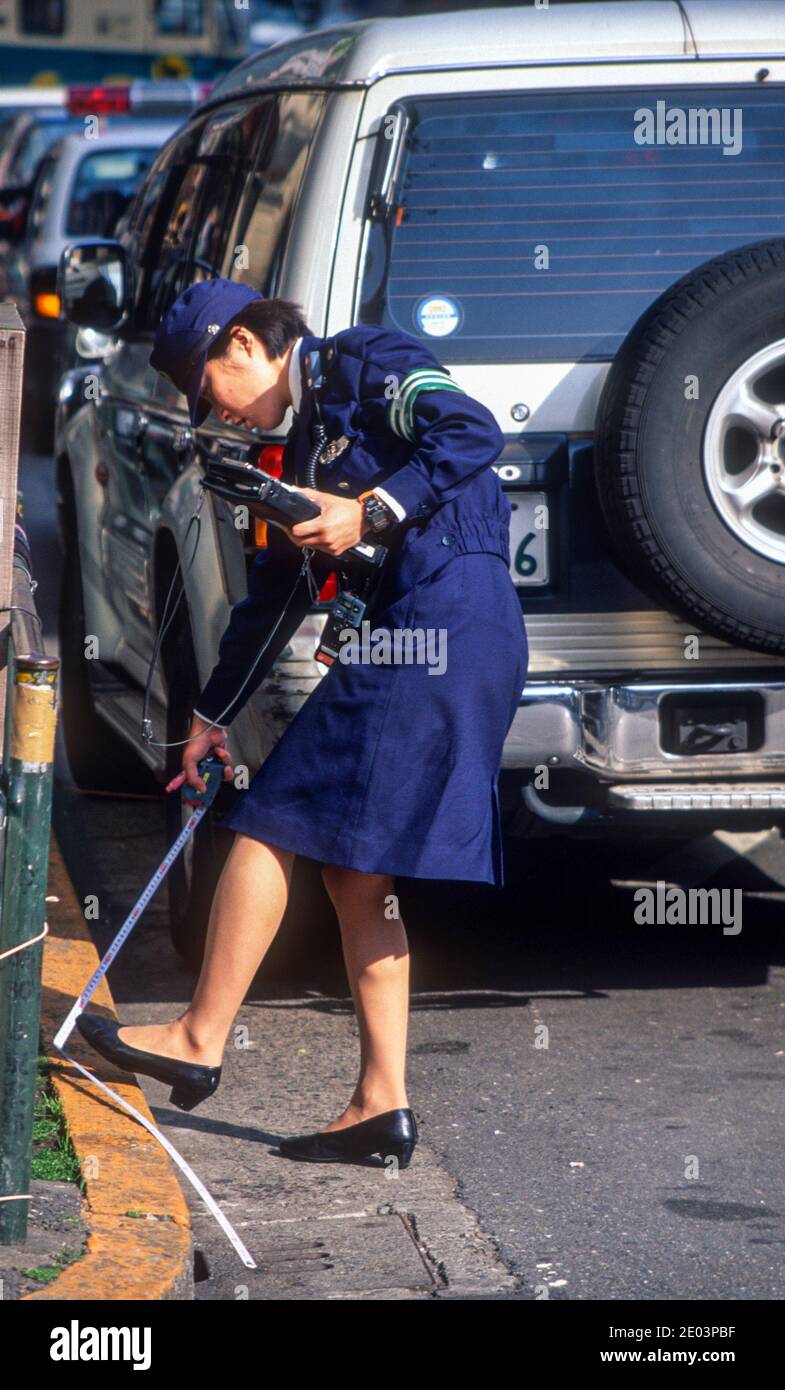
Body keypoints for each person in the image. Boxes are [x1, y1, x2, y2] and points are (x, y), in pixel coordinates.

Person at [76, 278, 529, 1168]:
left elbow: (472, 430)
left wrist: (370, 509)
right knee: (359, 878)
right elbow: (275, 596)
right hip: (429, 638)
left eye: (207, 389)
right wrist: (210, 715)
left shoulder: (364, 360)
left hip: (441, 627)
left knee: (270, 818)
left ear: (241, 343)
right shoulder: (299, 455)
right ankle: (378, 1105)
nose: (220, 414)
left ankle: (201, 1040)